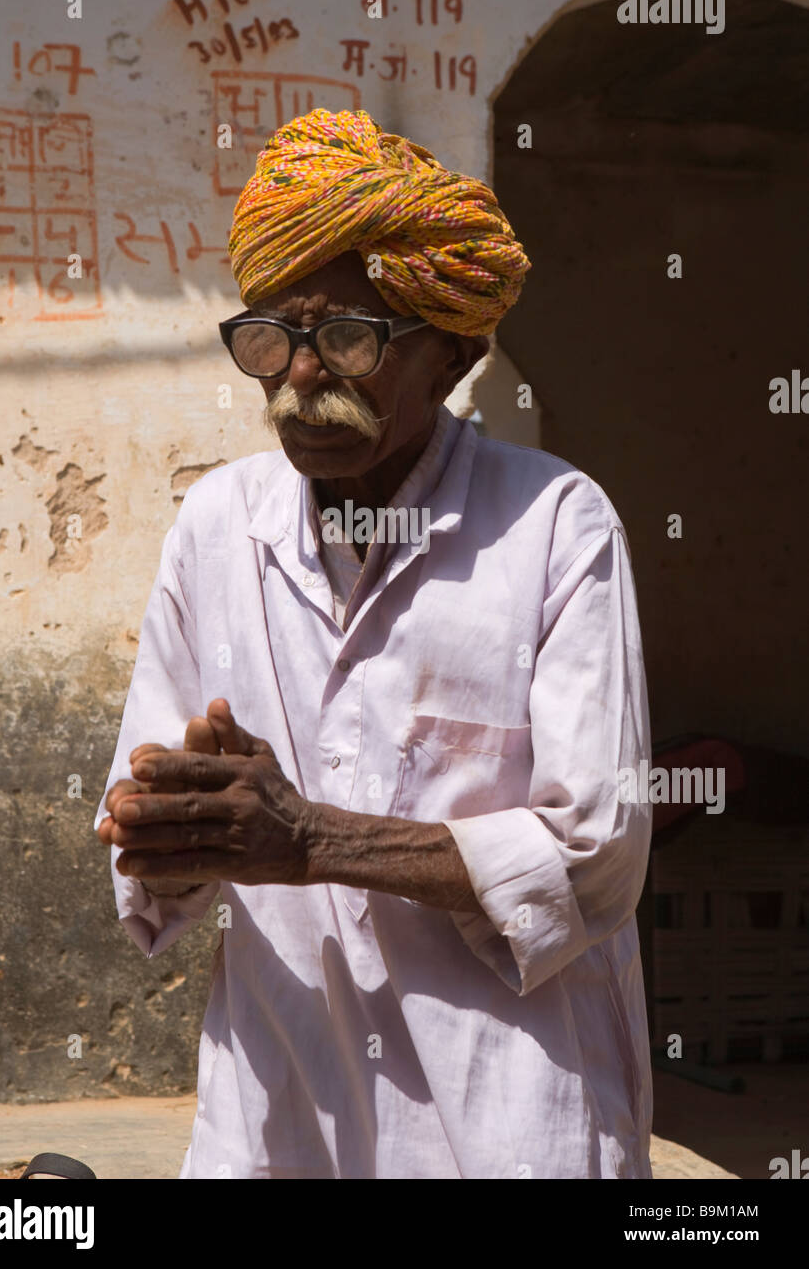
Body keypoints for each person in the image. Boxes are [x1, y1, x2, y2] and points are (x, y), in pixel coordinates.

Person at [95, 107, 653, 1179]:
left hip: (501, 1119)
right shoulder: (218, 527)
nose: (300, 377)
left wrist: (307, 838)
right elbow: (150, 845)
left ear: (452, 353)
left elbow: (595, 860)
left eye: (346, 339)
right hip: (275, 1111)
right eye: (271, 338)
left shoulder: (552, 524)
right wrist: (169, 831)